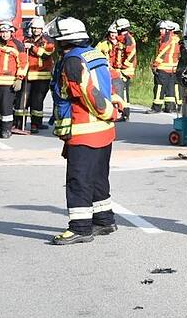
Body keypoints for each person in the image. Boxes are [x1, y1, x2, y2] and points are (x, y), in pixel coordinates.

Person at [46, 17, 124, 245]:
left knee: (78, 180)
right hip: (103, 131)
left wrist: (109, 111)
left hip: (84, 131)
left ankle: (80, 228)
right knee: (98, 177)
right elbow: (113, 80)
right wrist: (115, 105)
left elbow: (87, 93)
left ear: (64, 40)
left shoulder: (72, 61)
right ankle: (104, 220)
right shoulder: (95, 54)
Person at [0, 21, 26, 138]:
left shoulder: (17, 45)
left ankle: (7, 130)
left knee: (6, 107)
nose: (4, 34)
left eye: (7, 32)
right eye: (2, 32)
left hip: (8, 82)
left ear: (11, 32)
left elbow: (23, 64)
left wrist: (19, 79)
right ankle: (2, 129)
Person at [23, 18, 55, 133]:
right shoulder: (26, 40)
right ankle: (20, 123)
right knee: (25, 101)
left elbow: (46, 54)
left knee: (38, 100)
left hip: (42, 75)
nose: (36, 30)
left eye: (38, 28)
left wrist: (33, 47)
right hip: (28, 75)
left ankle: (36, 124)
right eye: (34, 28)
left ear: (42, 29)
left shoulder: (48, 41)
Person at [150, 21, 182, 114]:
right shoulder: (177, 39)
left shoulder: (167, 39)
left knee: (159, 88)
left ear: (168, 30)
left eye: (162, 29)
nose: (160, 31)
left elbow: (162, 53)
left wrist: (155, 65)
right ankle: (170, 107)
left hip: (163, 68)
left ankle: (156, 107)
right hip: (173, 68)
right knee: (170, 89)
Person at [110, 19, 136, 121]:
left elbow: (131, 54)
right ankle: (122, 113)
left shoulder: (128, 39)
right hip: (120, 69)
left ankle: (125, 114)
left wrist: (124, 66)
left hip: (125, 71)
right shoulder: (122, 38)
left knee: (123, 92)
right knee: (120, 91)